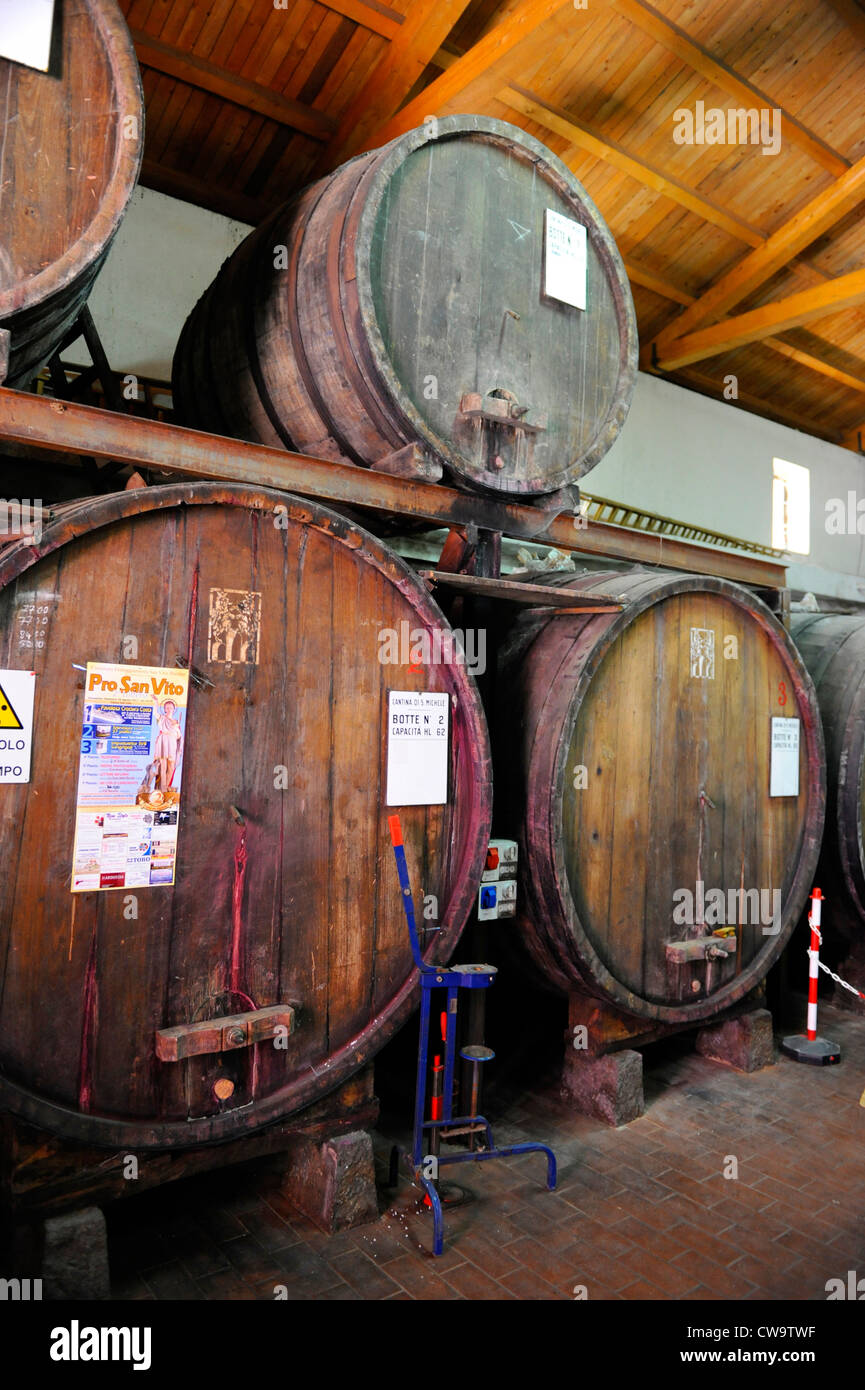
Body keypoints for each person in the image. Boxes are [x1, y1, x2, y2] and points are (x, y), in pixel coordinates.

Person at [153, 700, 182, 792]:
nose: (169, 709)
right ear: (165, 709)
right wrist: (156, 703)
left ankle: (166, 787)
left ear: (174, 709)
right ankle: (162, 788)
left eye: (171, 707)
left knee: (171, 766)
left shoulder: (176, 722)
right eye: (167, 707)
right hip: (163, 741)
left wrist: (176, 727)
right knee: (163, 765)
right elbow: (155, 713)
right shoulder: (162, 718)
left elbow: (179, 736)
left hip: (172, 742)